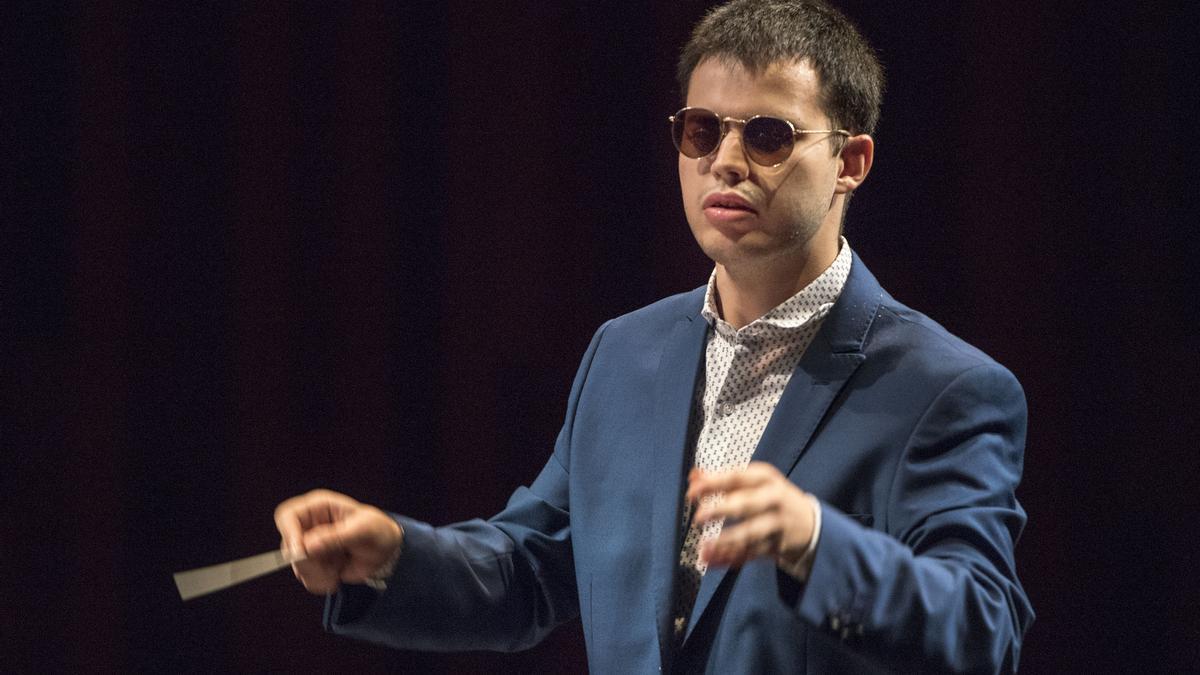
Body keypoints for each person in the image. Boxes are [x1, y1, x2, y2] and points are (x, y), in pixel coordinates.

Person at [274, 1, 1034, 672]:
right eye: (702, 130)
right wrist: (391, 558)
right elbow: (534, 567)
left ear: (850, 162)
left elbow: (982, 631)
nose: (725, 161)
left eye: (768, 136)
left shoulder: (945, 388)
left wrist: (814, 540)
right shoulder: (626, 353)